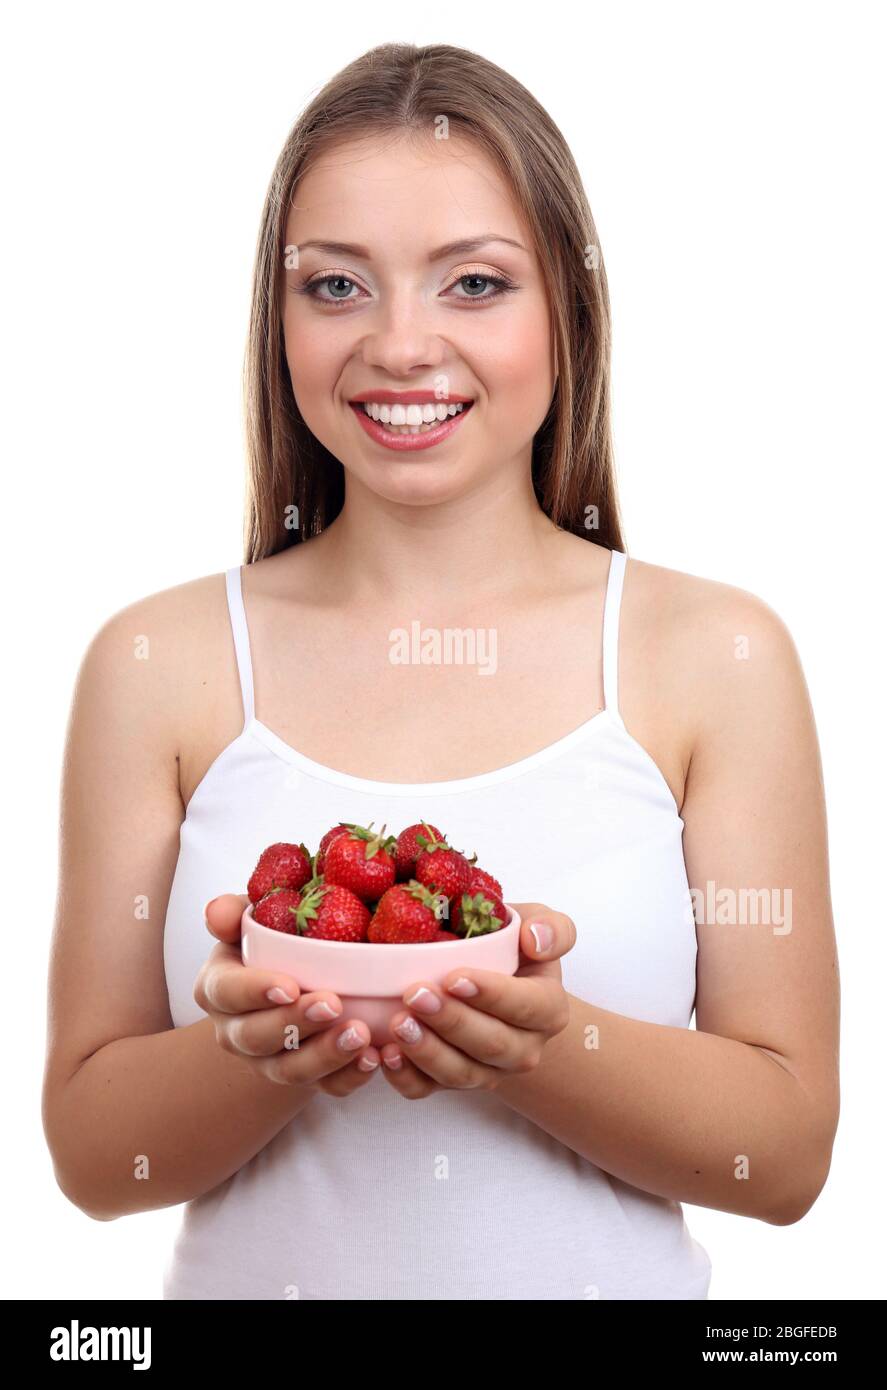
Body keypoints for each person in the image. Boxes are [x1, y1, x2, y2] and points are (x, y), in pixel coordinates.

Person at [42, 42, 840, 1300]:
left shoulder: (712, 659)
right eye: (336, 286)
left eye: (473, 282)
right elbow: (95, 1158)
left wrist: (542, 1043)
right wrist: (266, 1045)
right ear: (279, 318)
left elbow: (784, 1158)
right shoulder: (159, 664)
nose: (400, 344)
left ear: (566, 311)